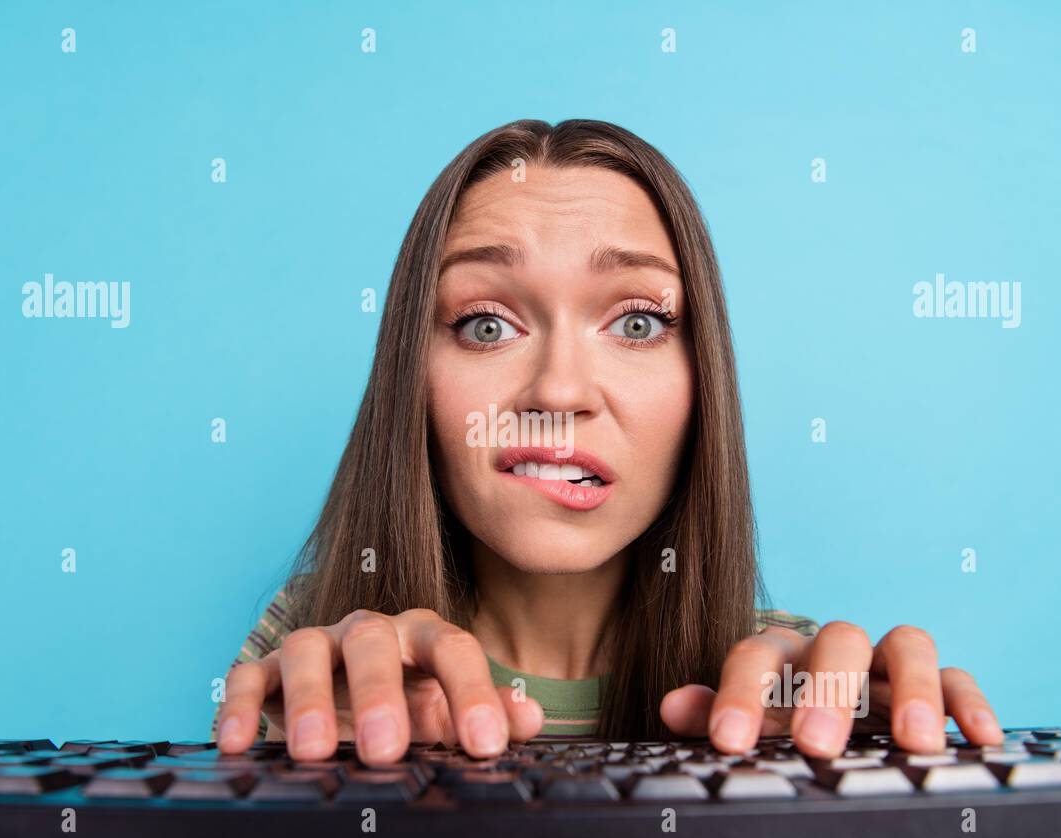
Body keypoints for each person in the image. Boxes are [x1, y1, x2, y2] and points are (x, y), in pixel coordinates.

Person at [212, 118, 1004, 765]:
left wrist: (877, 794)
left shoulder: (792, 688)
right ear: (409, 382)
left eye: (637, 323)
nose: (558, 392)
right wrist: (297, 788)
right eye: (487, 326)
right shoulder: (318, 646)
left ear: (705, 384)